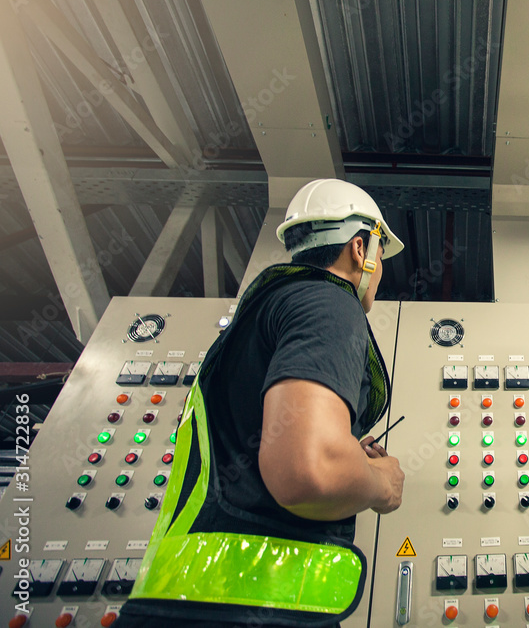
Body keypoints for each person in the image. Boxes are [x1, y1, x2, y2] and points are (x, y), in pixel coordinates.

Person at [117, 179, 406, 628]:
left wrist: (345, 444)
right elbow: (309, 473)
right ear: (359, 249)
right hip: (254, 605)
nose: (380, 269)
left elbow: (269, 444)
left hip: (180, 598)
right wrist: (379, 481)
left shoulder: (261, 316)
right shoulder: (329, 301)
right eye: (380, 253)